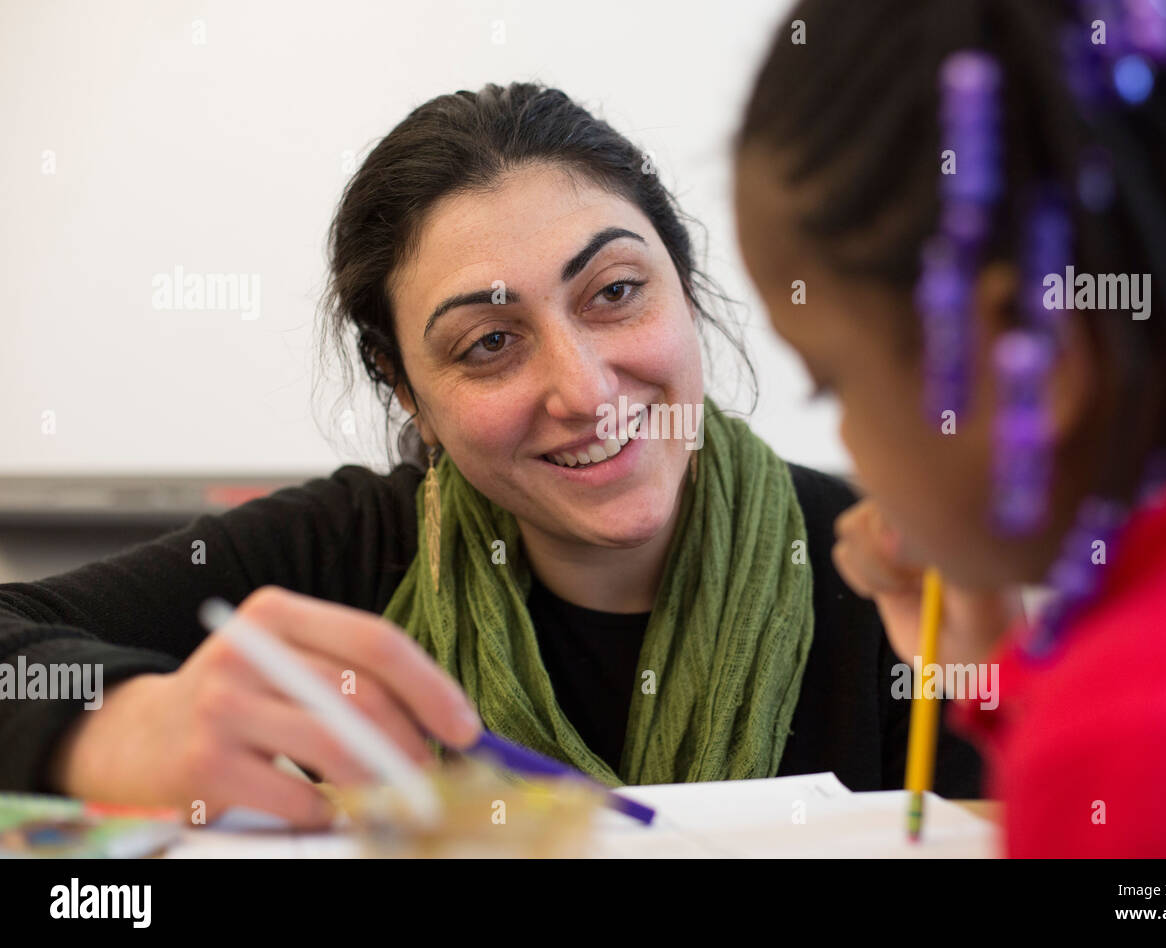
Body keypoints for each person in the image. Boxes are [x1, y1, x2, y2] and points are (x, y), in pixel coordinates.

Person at [0, 83, 983, 825]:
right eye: (489, 344)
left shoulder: (898, 570)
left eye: (614, 291)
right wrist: (116, 723)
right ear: (407, 393)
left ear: (684, 289)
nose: (585, 389)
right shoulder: (345, 556)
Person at [734, 0, 1166, 855]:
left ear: (1027, 352)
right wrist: (1002, 654)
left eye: (831, 384)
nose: (845, 442)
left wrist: (1089, 735)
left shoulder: (1160, 738)